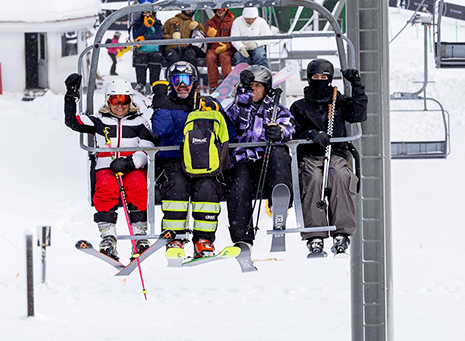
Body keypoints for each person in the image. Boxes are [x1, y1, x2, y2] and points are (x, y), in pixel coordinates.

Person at [64, 74, 156, 261]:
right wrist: (71, 95)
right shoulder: (99, 121)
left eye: (124, 100)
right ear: (108, 100)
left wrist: (131, 162)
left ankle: (139, 235)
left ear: (130, 100)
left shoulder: (140, 122)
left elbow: (148, 148)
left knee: (137, 186)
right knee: (105, 186)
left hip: (132, 166)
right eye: (115, 99)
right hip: (107, 166)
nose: (119, 105)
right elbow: (72, 121)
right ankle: (108, 237)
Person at [289, 59, 368, 255]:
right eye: (315, 77)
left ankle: (341, 232)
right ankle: (315, 234)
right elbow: (293, 130)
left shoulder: (339, 103)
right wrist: (311, 134)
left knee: (339, 175)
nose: (320, 81)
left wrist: (357, 86)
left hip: (336, 155)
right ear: (308, 79)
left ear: (330, 79)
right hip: (310, 156)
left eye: (324, 78)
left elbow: (358, 113)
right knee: (313, 178)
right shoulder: (299, 106)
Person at [151, 61, 228, 258]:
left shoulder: (207, 103)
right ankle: (174, 237)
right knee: (176, 186)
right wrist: (160, 104)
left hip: (202, 160)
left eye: (186, 79)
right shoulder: (165, 105)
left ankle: (204, 239)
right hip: (173, 159)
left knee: (207, 188)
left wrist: (214, 112)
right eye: (177, 80)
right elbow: (160, 131)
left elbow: (228, 132)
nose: (182, 85)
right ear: (171, 83)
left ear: (193, 81)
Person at [225, 65, 295, 247]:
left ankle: (279, 207)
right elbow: (236, 123)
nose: (253, 90)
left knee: (280, 154)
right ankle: (242, 238)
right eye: (250, 86)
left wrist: (280, 132)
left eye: (257, 86)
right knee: (238, 187)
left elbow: (290, 127)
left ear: (266, 88)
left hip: (268, 160)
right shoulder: (237, 107)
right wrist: (243, 96)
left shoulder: (276, 109)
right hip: (244, 161)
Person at [131, 2, 164, 95]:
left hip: (155, 51)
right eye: (145, 13)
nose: (147, 15)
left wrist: (145, 38)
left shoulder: (157, 23)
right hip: (141, 51)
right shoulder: (137, 23)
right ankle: (141, 85)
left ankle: (155, 86)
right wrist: (145, 26)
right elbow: (136, 35)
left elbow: (159, 35)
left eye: (149, 13)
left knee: (155, 64)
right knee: (141, 63)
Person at [204, 8, 235, 91]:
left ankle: (228, 82)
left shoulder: (231, 22)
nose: (220, 11)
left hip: (227, 48)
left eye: (222, 9)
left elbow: (234, 37)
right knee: (210, 57)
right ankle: (214, 84)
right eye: (217, 9)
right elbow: (206, 40)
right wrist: (209, 37)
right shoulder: (210, 22)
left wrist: (226, 46)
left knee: (224, 57)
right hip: (214, 48)